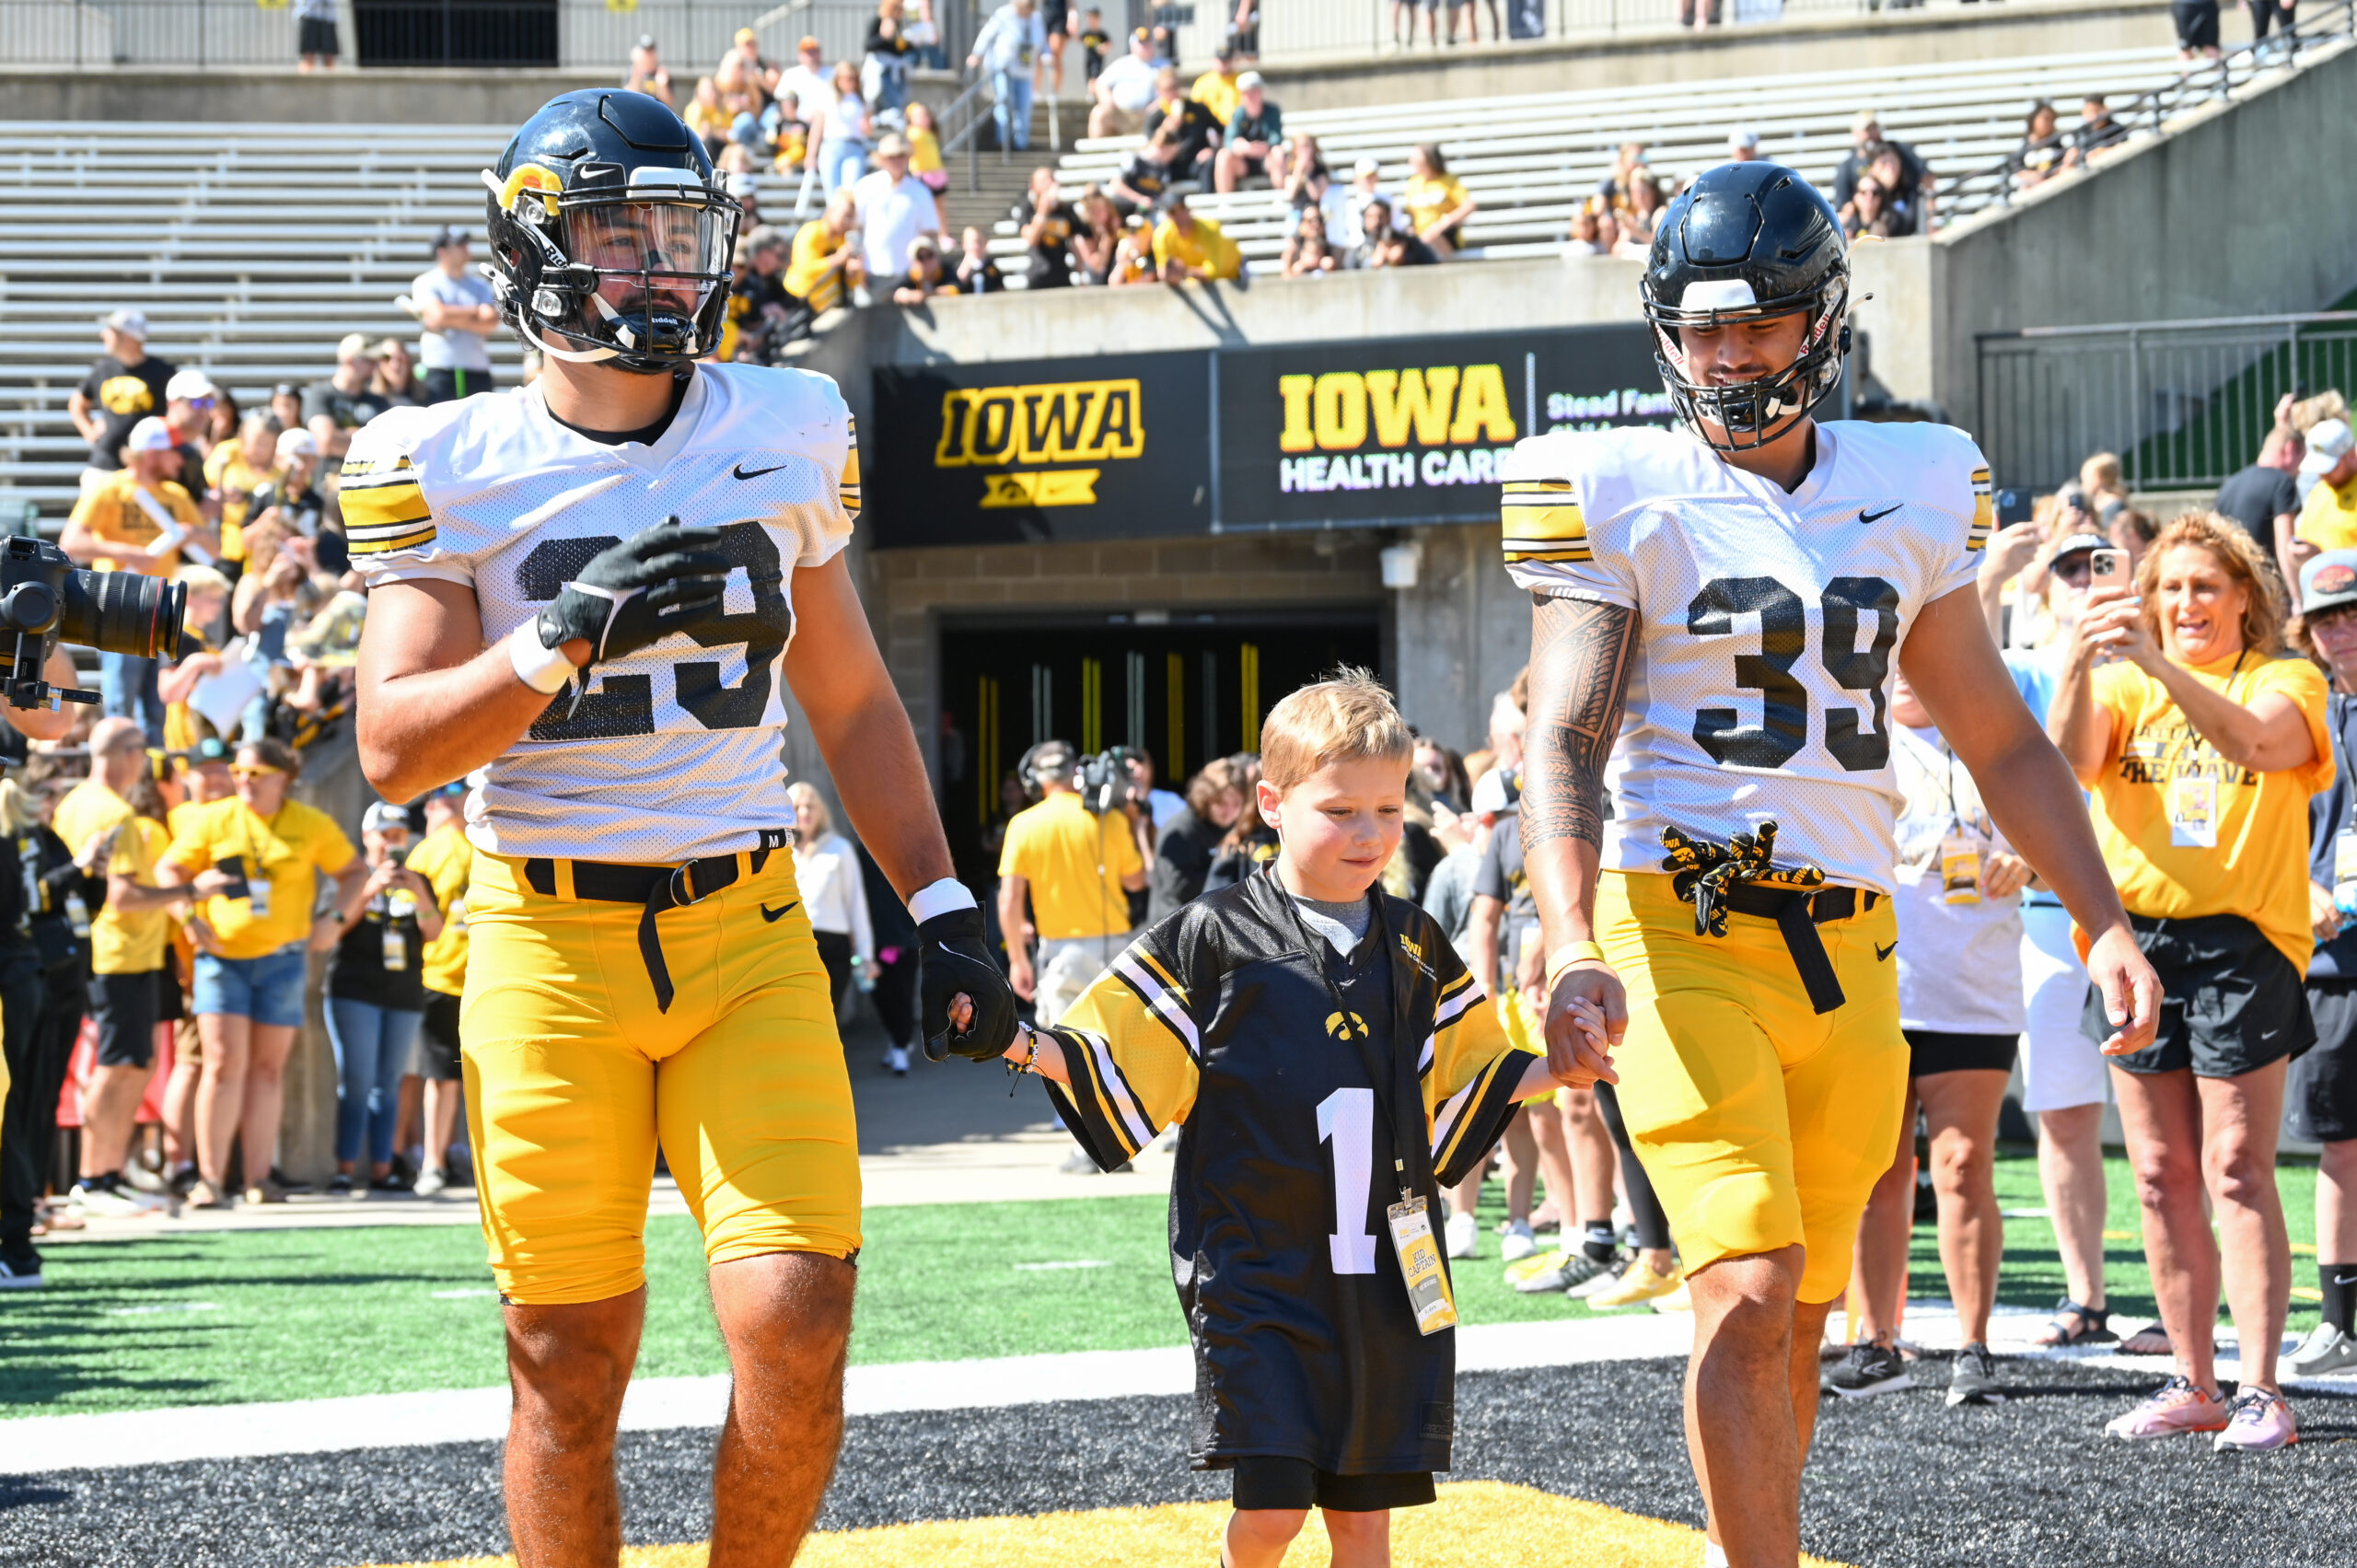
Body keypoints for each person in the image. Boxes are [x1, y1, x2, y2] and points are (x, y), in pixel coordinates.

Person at [347, 89, 1016, 1566]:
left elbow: (848, 703)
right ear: (534, 251)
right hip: (545, 939)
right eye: (614, 232)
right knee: (567, 1361)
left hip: (748, 923)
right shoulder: (442, 454)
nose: (655, 265)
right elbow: (391, 749)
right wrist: (554, 642)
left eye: (673, 231)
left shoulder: (788, 419)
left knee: (798, 1318)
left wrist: (944, 906)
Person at [1513, 162, 2157, 1566]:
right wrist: (1567, 935)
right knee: (1742, 1280)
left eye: (1757, 326)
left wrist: (2100, 916)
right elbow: (1563, 735)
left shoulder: (1914, 480)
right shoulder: (1617, 482)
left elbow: (2000, 736)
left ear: (1824, 321)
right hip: (1672, 923)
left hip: (1857, 941)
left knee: (1798, 1303)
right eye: (1700, 330)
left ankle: (1748, 1542)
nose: (1727, 357)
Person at [1001, 672, 1569, 1568]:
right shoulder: (1213, 933)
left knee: (1364, 1522)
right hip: (1256, 1272)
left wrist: (1558, 1064)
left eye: (1387, 808)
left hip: (1387, 1269)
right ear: (1270, 802)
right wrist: (1015, 1041)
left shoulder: (1417, 941)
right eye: (1339, 808)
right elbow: (1113, 1052)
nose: (1370, 831)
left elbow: (1470, 1075)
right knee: (1270, 1511)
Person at [2051, 511, 2328, 1451]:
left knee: (2236, 1166)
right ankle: (2193, 1378)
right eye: (2167, 588)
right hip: (2134, 941)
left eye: (2203, 587)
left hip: (2243, 945)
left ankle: (2260, 1387)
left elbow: (2258, 745)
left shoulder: (2285, 678)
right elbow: (2068, 761)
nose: (2183, 604)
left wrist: (2159, 665)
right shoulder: (2120, 679)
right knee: (2165, 1176)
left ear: (2244, 595)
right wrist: (2078, 653)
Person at [1831, 667, 2031, 1405]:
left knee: (1963, 1164)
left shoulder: (1992, 738)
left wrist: (2028, 860)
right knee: (1878, 1171)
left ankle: (1973, 1346)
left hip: (1976, 989)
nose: (1915, 671)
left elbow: (2045, 830)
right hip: (1878, 982)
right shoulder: (1857, 739)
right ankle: (1873, 1341)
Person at [159, 737, 365, 1207]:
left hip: (284, 960)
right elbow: (169, 870)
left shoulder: (309, 823)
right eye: (239, 774)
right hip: (221, 960)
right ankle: (210, 1181)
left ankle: (258, 1179)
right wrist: (188, 915)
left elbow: (354, 872)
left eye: (255, 775)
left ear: (283, 778)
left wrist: (333, 922)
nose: (243, 782)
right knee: (222, 1066)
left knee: (268, 1071)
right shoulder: (214, 818)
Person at [50, 719, 174, 1220]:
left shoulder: (76, 802)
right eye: (141, 751)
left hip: (121, 953)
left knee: (131, 1064)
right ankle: (93, 1178)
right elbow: (121, 895)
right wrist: (189, 892)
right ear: (125, 754)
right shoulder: (112, 809)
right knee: (117, 1067)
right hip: (117, 953)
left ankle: (108, 1175)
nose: (144, 761)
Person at [2291, 551, 2357, 1376]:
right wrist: (2296, 884)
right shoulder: (2297, 717)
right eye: (2327, 618)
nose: (2342, 630)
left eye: (2352, 611)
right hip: (2333, 953)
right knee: (2338, 1139)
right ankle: (2341, 1317)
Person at [60, 417, 217, 749]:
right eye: (174, 453)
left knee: (157, 712)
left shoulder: (175, 495)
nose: (180, 461)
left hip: (163, 611)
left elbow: (213, 550)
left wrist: (196, 533)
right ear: (151, 454)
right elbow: (70, 542)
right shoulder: (110, 489)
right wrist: (126, 551)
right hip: (119, 610)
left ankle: (152, 783)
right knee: (121, 705)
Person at [319, 801, 442, 1195]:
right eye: (385, 835)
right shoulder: (353, 877)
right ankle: (344, 1168)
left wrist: (419, 893)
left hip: (403, 993)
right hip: (355, 990)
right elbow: (331, 932)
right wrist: (370, 888)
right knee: (356, 1081)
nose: (392, 844)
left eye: (399, 836)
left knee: (389, 1083)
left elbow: (435, 932)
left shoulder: (417, 878)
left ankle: (383, 1168)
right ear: (367, 837)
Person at [997, 739, 1148, 1026]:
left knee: (1065, 1054)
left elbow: (1009, 900)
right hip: (1114, 947)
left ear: (1034, 780)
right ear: (1076, 772)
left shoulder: (1022, 825)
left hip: (1059, 954)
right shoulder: (1110, 820)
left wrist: (1018, 960)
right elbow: (1135, 882)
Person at [402, 784, 473, 1197]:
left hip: (481, 975)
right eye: (444, 794)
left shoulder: (481, 842)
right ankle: (432, 1160)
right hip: (441, 976)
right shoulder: (429, 851)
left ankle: (450, 1158)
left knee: (463, 1077)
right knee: (441, 1076)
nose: (452, 800)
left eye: (458, 791)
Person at [789, 782, 877, 1043]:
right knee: (794, 1019)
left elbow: (856, 904)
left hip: (832, 948)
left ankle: (823, 1080)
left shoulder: (840, 849)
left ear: (821, 811)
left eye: (810, 806)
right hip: (791, 946)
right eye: (797, 807)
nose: (804, 812)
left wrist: (866, 955)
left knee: (827, 1018)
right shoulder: (778, 853)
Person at [69, 308, 176, 491]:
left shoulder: (163, 372)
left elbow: (177, 413)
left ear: (127, 337)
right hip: (105, 464)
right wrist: (89, 430)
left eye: (110, 331)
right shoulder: (103, 369)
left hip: (145, 468)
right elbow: (77, 403)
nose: (103, 335)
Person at [2213, 393, 2308, 587]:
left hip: (2232, 586)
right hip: (2267, 589)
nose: (2300, 470)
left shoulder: (2230, 484)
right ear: (2290, 450)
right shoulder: (2282, 482)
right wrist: (2297, 599)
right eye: (2301, 461)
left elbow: (2214, 537)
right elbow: (2285, 547)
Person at [411, 226, 501, 405]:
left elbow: (490, 321)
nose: (465, 248)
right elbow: (438, 315)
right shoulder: (426, 282)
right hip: (440, 367)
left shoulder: (479, 284)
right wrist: (475, 312)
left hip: (476, 368)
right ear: (442, 252)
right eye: (459, 244)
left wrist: (448, 318)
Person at [1149, 757, 1248, 921]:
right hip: (1175, 926)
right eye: (1222, 803)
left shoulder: (1229, 828)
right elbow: (1179, 888)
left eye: (1236, 805)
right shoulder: (1181, 830)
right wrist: (1226, 872)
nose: (1229, 811)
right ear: (1206, 798)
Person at [852, 134, 943, 295]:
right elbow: (855, 228)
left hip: (908, 275)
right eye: (892, 156)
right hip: (871, 272)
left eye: (901, 156)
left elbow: (929, 232)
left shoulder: (920, 191)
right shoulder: (865, 187)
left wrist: (923, 262)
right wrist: (856, 262)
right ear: (882, 159)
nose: (897, 161)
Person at [969, 0, 1047, 154]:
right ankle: (1002, 142)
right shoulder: (1003, 14)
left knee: (1023, 106)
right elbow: (987, 34)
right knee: (1004, 100)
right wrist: (977, 54)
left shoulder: (1036, 18)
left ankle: (1021, 143)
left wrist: (1047, 54)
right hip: (1004, 67)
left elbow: (1042, 41)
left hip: (1025, 70)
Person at [304, 334, 396, 461]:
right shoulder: (320, 393)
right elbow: (326, 440)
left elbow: (391, 445)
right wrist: (368, 437)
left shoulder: (379, 401)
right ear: (349, 360)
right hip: (329, 478)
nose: (374, 367)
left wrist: (344, 435)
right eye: (369, 361)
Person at [784, 193, 864, 322]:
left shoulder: (845, 240)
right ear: (831, 211)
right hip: (798, 300)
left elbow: (853, 282)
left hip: (825, 306)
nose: (847, 222)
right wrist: (837, 259)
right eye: (845, 216)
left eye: (851, 217)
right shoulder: (811, 232)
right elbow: (805, 269)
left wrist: (852, 273)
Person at [1213, 72, 1283, 194]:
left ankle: (1284, 196)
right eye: (1247, 92)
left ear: (1261, 91)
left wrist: (1263, 147)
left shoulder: (1272, 111)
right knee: (1223, 156)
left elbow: (1276, 138)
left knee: (1278, 152)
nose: (1251, 96)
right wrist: (1244, 147)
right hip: (1243, 163)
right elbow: (1229, 140)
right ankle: (1224, 202)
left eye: (1254, 91)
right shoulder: (1238, 114)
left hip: (1266, 160)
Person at [810, 60, 874, 196]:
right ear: (837, 79)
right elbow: (817, 127)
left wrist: (867, 126)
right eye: (846, 78)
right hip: (830, 147)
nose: (850, 81)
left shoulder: (863, 100)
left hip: (854, 147)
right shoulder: (828, 96)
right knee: (832, 195)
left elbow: (868, 131)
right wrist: (811, 155)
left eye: (853, 78)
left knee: (851, 194)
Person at [2294, 417, 2357, 553]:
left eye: (2329, 468)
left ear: (2351, 455)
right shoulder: (2319, 489)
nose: (2323, 474)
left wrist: (2324, 557)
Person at [1152, 194, 1241, 283]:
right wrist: (1171, 274)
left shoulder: (1210, 229)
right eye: (1173, 211)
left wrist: (1185, 271)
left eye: (1182, 208)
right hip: (1198, 283)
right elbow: (1163, 272)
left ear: (1189, 209)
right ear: (1167, 215)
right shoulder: (1161, 235)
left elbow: (1214, 272)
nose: (1179, 214)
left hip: (1235, 274)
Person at [1089, 29, 1160, 139]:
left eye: (1147, 43)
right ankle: (1096, 154)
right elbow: (1100, 84)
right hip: (1121, 114)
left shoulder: (1163, 65)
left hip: (1150, 114)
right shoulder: (1122, 64)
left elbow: (1170, 90)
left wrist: (1158, 105)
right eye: (1141, 43)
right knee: (1099, 113)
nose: (1145, 46)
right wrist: (1107, 98)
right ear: (1132, 46)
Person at [1016, 166, 1078, 290]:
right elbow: (1032, 239)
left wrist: (1081, 274)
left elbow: (1076, 241)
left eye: (1051, 179)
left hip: (1062, 274)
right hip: (1039, 275)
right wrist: (1043, 210)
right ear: (1033, 187)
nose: (1049, 183)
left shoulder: (1065, 210)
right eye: (1044, 180)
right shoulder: (1027, 208)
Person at [1283, 207, 1341, 276]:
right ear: (1302, 224)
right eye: (1310, 220)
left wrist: (1329, 266)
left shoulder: (1331, 243)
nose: (1316, 224)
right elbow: (1286, 276)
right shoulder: (1294, 246)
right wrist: (1302, 265)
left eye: (1319, 219)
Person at [623, 34, 675, 106]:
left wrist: (663, 86)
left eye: (651, 51)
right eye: (646, 52)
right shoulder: (632, 72)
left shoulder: (662, 72)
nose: (649, 55)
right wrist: (636, 79)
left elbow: (669, 102)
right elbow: (627, 99)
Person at [955, 226, 1008, 295]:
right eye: (973, 242)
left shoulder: (991, 267)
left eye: (979, 242)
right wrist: (968, 260)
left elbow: (1000, 290)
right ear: (964, 244)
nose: (976, 246)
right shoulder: (957, 267)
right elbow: (958, 283)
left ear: (985, 243)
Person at [294, 0, 339, 72]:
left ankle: (330, 80)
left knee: (329, 56)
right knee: (308, 56)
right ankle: (306, 81)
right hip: (308, 13)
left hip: (328, 16)